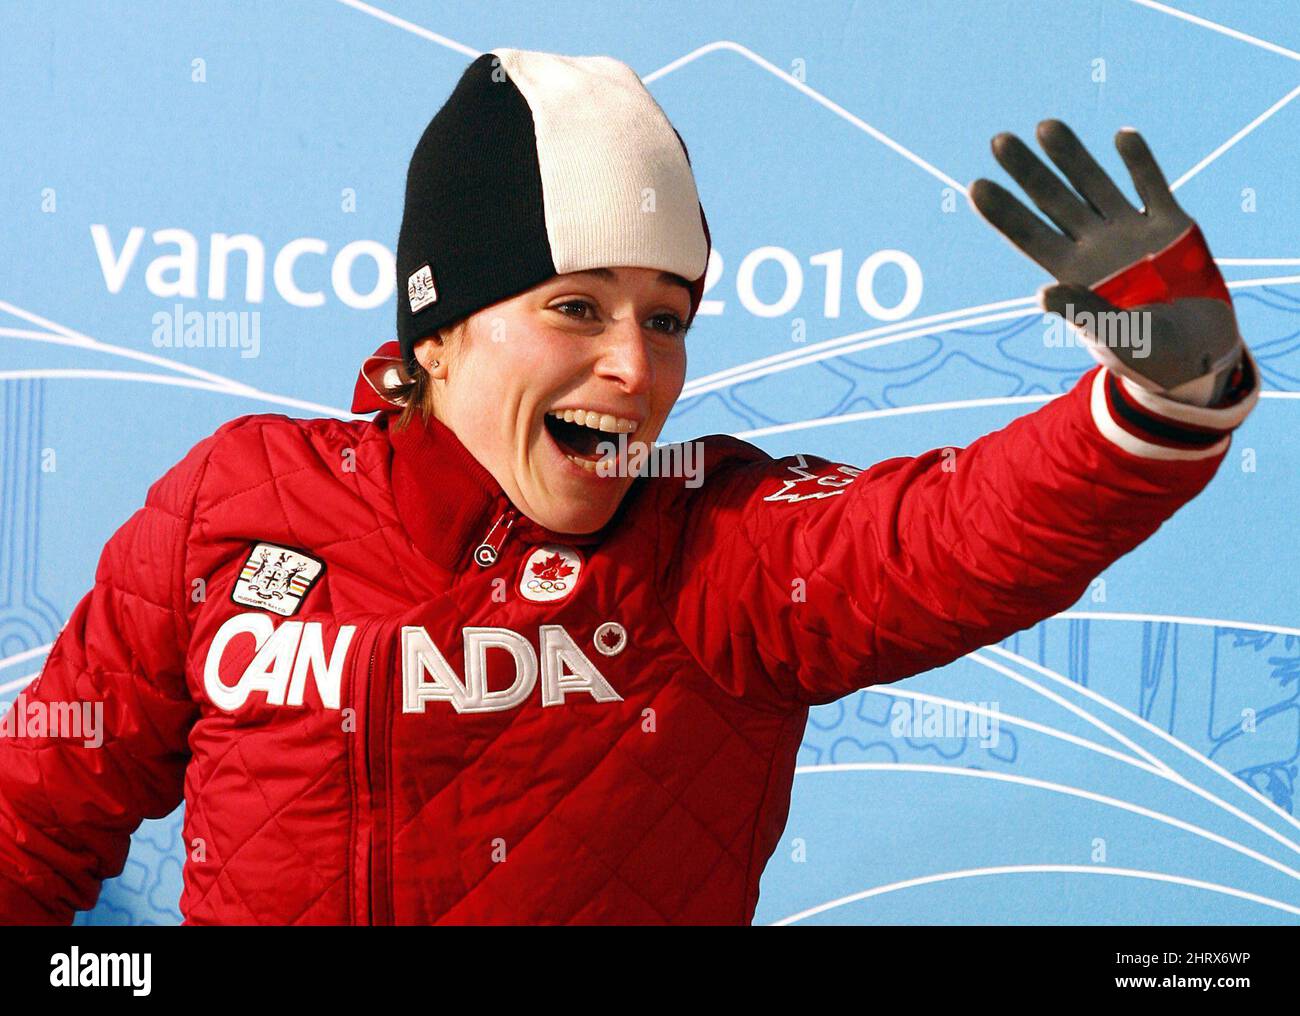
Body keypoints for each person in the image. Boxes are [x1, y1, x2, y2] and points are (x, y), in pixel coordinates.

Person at [0, 48, 1259, 926]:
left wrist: (1159, 396)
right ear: (436, 334)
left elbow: (939, 534)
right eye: (573, 306)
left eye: (666, 316)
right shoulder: (234, 504)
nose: (634, 364)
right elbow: (35, 811)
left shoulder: (709, 542)